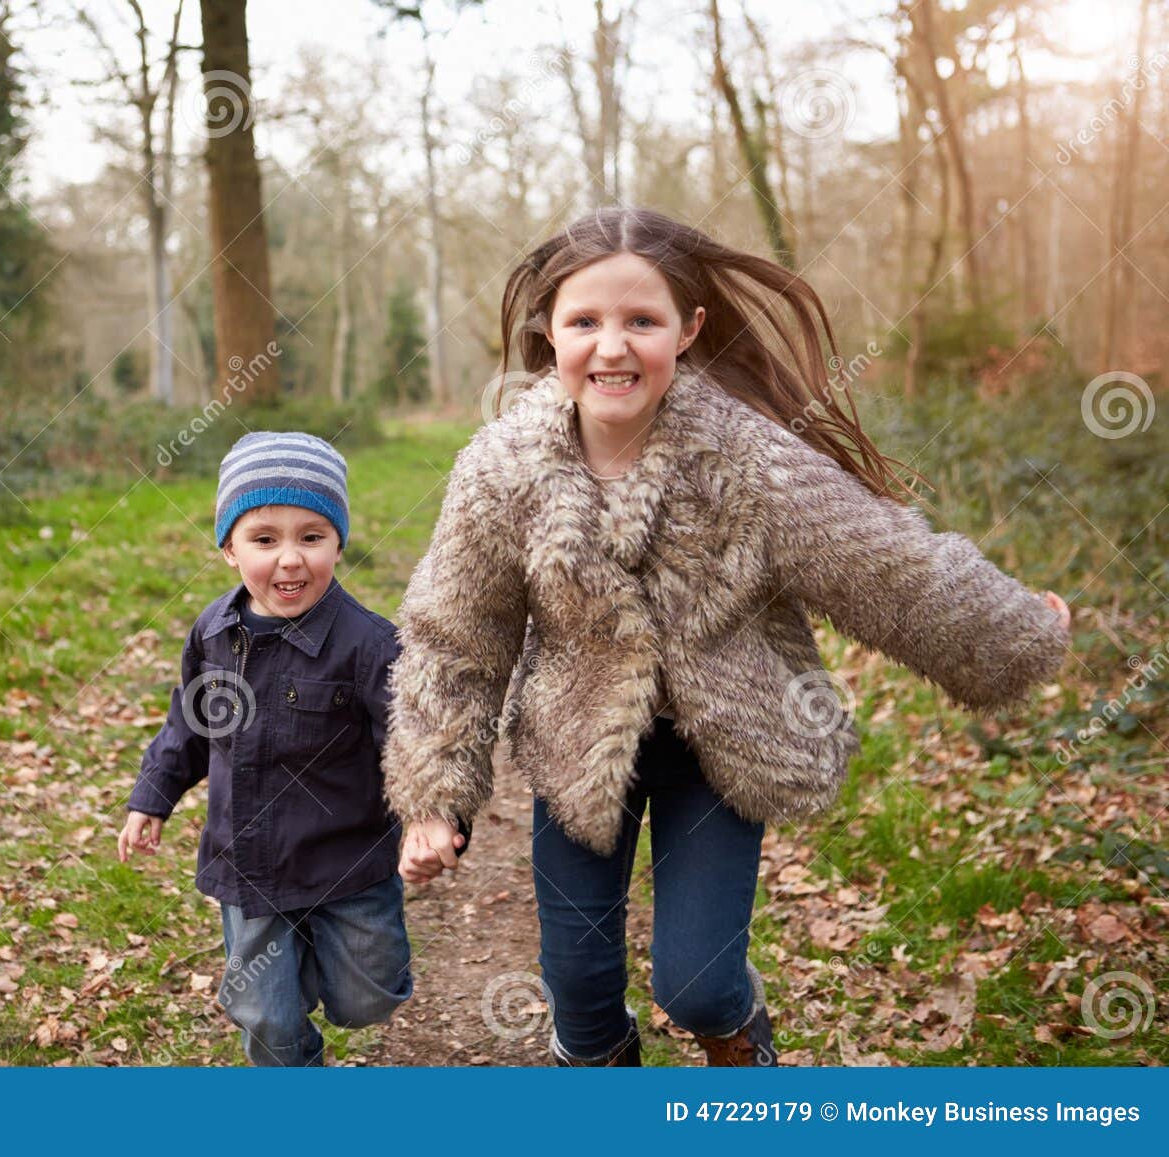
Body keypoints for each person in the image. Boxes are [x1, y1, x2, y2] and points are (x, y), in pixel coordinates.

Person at [382, 206, 1071, 1067]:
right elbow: (455, 636)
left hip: (724, 742)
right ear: (548, 331)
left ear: (689, 328)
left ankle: (743, 1045)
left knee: (697, 983)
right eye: (585, 321)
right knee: (581, 990)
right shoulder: (502, 470)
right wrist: (435, 795)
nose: (613, 346)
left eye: (642, 321)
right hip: (576, 738)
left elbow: (890, 567)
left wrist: (1017, 630)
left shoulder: (749, 459)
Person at [118, 431, 416, 1066]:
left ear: (339, 542)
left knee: (370, 998)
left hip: (347, 862)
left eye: (312, 537)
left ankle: (319, 961)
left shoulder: (370, 645)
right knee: (268, 1017)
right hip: (248, 861)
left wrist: (431, 819)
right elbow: (190, 725)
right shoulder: (213, 633)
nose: (289, 560)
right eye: (264, 539)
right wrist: (153, 796)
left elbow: (412, 743)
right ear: (228, 548)